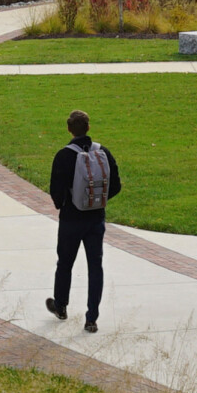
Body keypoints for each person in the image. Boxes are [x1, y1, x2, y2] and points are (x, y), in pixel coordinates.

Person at [45, 110, 122, 334]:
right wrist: (98, 202)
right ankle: (91, 319)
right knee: (95, 267)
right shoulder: (103, 152)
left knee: (65, 263)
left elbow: (56, 191)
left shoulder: (64, 156)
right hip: (96, 219)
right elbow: (115, 185)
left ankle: (60, 305)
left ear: (69, 129)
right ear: (88, 128)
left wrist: (64, 205)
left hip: (71, 219)